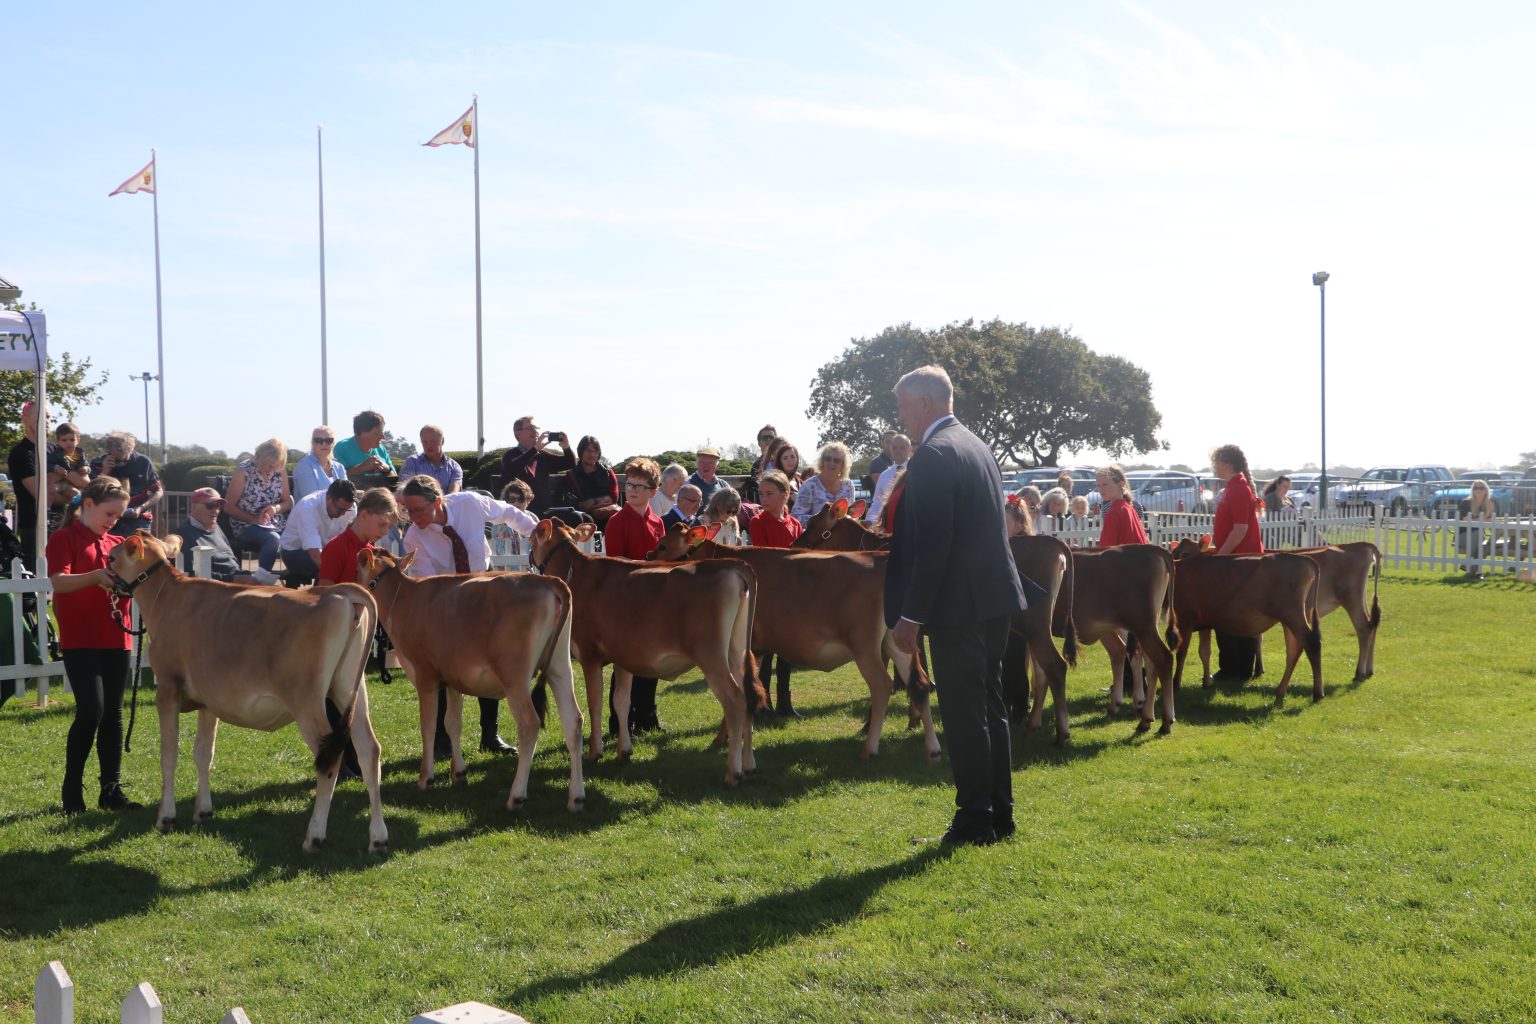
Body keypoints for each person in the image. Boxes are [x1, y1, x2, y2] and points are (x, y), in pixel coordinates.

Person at [884, 365, 1025, 847]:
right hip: (994, 597)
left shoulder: (934, 456)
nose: (900, 416)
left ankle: (974, 822)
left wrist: (910, 615)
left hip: (959, 606)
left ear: (925, 403)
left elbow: (934, 545)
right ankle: (999, 814)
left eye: (903, 406)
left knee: (966, 716)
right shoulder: (977, 445)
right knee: (990, 707)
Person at [399, 474, 539, 756]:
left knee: (494, 661)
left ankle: (490, 735)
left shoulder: (470, 503)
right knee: (439, 668)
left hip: (486, 590)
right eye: (408, 511)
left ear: (437, 501)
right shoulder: (414, 538)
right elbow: (428, 583)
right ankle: (440, 741)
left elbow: (509, 513)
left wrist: (537, 536)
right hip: (446, 601)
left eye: (418, 510)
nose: (413, 517)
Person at [48, 477, 141, 814]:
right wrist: (97, 577)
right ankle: (72, 788)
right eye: (109, 513)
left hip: (116, 637)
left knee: (112, 715)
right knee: (91, 711)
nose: (114, 521)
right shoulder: (64, 538)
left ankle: (111, 789)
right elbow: (59, 581)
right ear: (88, 505)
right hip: (80, 638)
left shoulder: (119, 542)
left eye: (119, 515)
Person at [603, 457, 668, 735]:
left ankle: (646, 717)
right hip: (626, 603)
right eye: (629, 484)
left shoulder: (658, 523)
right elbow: (616, 566)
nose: (632, 490)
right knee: (625, 666)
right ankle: (619, 723)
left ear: (654, 491)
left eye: (640, 486)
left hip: (654, 604)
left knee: (650, 664)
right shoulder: (616, 522)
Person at [748, 470, 803, 715]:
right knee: (766, 650)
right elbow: (763, 556)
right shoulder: (758, 521)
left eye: (770, 494)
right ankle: (764, 702)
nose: (764, 499)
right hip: (768, 594)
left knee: (787, 651)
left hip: (790, 594)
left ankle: (785, 701)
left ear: (785, 494)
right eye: (761, 494)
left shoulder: (795, 523)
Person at [1210, 443, 1263, 682]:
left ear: (1226, 464)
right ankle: (1238, 669)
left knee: (1233, 616)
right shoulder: (1236, 487)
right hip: (1238, 560)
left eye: (1216, 463)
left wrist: (1221, 555)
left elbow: (1240, 530)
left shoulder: (1238, 489)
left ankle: (1236, 670)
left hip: (1239, 562)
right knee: (1235, 615)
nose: (1214, 467)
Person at [224, 439, 292, 585]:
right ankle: (260, 582)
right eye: (269, 465)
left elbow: (288, 502)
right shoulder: (244, 471)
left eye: (275, 466)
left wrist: (276, 508)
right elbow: (228, 507)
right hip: (245, 524)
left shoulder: (279, 471)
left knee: (298, 535)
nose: (271, 470)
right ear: (260, 458)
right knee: (273, 539)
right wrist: (254, 518)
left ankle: (295, 577)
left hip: (274, 521)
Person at [8, 402, 67, 569]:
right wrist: (61, 480)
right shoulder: (21, 453)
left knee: (60, 582)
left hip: (61, 525)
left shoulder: (56, 449)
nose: (46, 421)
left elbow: (78, 482)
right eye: (41, 416)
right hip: (34, 528)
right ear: (24, 418)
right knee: (35, 585)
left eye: (48, 417)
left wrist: (53, 480)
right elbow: (41, 493)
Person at [277, 479, 358, 585]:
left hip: (324, 551)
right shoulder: (307, 508)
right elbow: (315, 554)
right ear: (328, 498)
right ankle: (321, 599)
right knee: (329, 567)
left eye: (346, 510)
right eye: (339, 510)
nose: (343, 514)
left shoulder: (350, 508)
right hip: (294, 553)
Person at [173, 487, 259, 583]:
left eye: (218, 506)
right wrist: (234, 579)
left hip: (237, 583)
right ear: (193, 507)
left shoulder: (216, 527)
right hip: (217, 590)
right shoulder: (183, 534)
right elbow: (192, 574)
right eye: (210, 505)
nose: (216, 511)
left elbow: (231, 560)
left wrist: (245, 576)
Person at [316, 488, 399, 587]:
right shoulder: (336, 547)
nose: (385, 532)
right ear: (364, 515)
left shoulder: (372, 552)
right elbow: (324, 592)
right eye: (382, 524)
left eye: (388, 527)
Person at [90, 431, 163, 538]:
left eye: (124, 460)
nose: (120, 464)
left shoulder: (143, 462)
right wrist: (104, 472)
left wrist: (141, 508)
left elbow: (158, 491)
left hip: (138, 518)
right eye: (116, 459)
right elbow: (89, 491)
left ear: (131, 449)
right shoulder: (99, 462)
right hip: (107, 517)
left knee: (137, 553)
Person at [500, 415, 576, 515]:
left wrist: (566, 447)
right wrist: (535, 449)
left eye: (536, 428)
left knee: (583, 518)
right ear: (518, 433)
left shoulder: (541, 455)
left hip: (546, 511)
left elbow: (569, 463)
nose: (535, 431)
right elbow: (512, 470)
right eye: (530, 428)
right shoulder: (510, 455)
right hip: (522, 512)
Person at [561, 436, 621, 526]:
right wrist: (585, 505)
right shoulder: (572, 475)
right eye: (588, 451)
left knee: (620, 515)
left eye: (595, 451)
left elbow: (613, 497)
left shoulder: (607, 471)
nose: (592, 454)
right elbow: (569, 501)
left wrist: (593, 502)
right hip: (584, 517)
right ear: (581, 451)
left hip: (608, 512)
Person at [791, 442, 855, 525]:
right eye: (828, 459)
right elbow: (796, 517)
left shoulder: (848, 485)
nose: (831, 463)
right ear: (822, 461)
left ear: (843, 464)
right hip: (817, 536)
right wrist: (822, 520)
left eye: (836, 460)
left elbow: (853, 515)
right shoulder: (809, 486)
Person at [333, 410, 395, 488]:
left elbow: (395, 479)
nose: (383, 437)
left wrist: (387, 468)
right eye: (378, 433)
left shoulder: (381, 449)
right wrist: (362, 468)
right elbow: (335, 481)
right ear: (362, 432)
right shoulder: (341, 448)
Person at [400, 424, 463, 495]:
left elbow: (454, 494)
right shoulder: (412, 462)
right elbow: (405, 492)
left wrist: (440, 505)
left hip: (446, 504)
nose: (429, 445)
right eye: (425, 442)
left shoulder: (454, 467)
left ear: (442, 441)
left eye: (433, 441)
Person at [291, 425, 348, 499]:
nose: (324, 444)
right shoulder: (304, 466)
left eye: (328, 440)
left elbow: (347, 494)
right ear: (313, 443)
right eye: (319, 440)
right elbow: (312, 499)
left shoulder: (339, 467)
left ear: (333, 443)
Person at [1097, 466, 1148, 547]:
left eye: (1105, 484)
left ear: (1121, 484)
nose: (1101, 489)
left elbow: (1105, 550)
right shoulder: (1128, 507)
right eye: (1099, 485)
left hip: (1125, 559)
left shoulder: (1114, 513)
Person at [867, 434, 911, 524]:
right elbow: (877, 502)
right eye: (895, 448)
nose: (898, 451)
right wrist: (870, 521)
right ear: (891, 450)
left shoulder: (917, 470)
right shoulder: (884, 475)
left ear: (909, 449)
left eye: (902, 447)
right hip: (889, 525)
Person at [1459, 479, 1498, 578]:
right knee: (1480, 538)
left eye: (1482, 488)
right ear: (1472, 490)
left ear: (1486, 490)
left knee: (1482, 544)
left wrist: (1477, 519)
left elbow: (1492, 520)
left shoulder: (1492, 502)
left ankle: (1472, 568)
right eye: (1476, 488)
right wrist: (1484, 518)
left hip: (1479, 537)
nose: (1479, 490)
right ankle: (1475, 569)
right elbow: (1465, 520)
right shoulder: (1466, 502)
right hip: (1463, 536)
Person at [742, 424, 777, 502]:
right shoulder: (756, 466)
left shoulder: (783, 461)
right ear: (759, 443)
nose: (768, 440)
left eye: (771, 438)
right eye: (764, 438)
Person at [764, 438, 802, 504]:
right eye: (785, 458)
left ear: (797, 459)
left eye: (792, 457)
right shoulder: (777, 482)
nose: (789, 461)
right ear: (780, 461)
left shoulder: (799, 480)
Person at [862, 429, 898, 494]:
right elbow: (883, 489)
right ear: (882, 444)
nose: (890, 445)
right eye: (887, 442)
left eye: (893, 442)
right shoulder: (877, 463)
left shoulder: (899, 462)